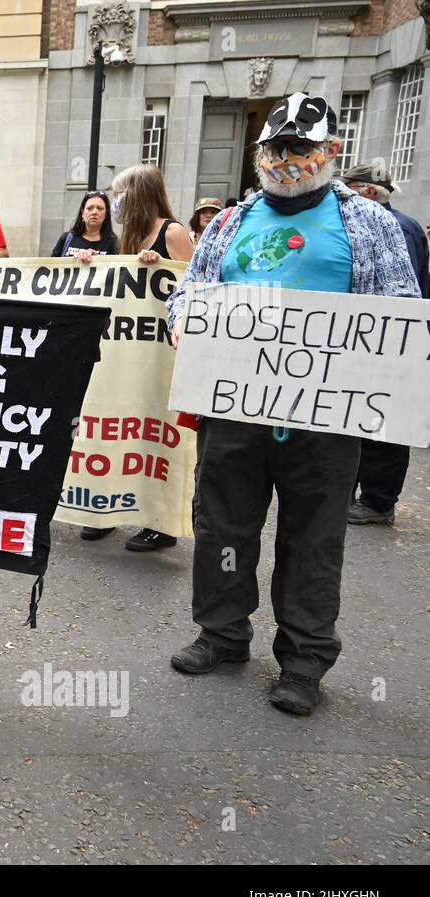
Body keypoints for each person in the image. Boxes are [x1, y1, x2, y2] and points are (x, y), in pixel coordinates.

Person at [166, 92, 419, 715]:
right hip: (236, 408)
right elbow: (192, 289)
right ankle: (222, 634)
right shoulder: (229, 221)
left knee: (313, 538)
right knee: (222, 525)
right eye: (276, 149)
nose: (287, 161)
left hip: (324, 419)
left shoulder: (369, 222)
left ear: (330, 152)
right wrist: (183, 320)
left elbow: (403, 305)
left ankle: (304, 659)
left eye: (301, 149)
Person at [93, 163, 194, 551]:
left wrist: (161, 266)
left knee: (158, 436)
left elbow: (191, 284)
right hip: (132, 355)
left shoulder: (173, 232)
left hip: (163, 357)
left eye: (119, 194)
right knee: (126, 430)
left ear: (137, 196)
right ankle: (109, 510)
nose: (114, 202)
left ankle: (161, 522)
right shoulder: (132, 236)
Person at [340, 159, 428, 526]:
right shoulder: (397, 224)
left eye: (350, 189)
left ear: (369, 191)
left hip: (387, 342)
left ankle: (378, 501)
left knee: (382, 426)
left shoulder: (392, 227)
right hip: (375, 339)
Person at [49, 191, 116, 262]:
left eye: (99, 208)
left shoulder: (114, 244)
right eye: (90, 208)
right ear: (82, 213)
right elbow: (51, 267)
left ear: (106, 214)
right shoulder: (66, 239)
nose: (94, 212)